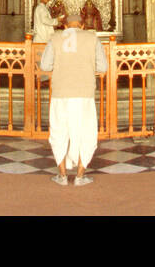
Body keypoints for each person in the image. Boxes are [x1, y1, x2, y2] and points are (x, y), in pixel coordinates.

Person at [39, 9, 107, 186]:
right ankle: (80, 176)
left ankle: (61, 176)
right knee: (86, 132)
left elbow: (45, 65)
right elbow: (103, 67)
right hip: (84, 92)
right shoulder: (92, 38)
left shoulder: (55, 38)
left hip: (60, 92)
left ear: (65, 26)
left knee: (59, 132)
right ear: (83, 26)